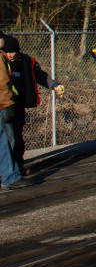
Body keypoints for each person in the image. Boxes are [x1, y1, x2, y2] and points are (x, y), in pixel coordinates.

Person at [1, 36, 65, 177]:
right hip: (5, 105)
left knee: (16, 137)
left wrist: (54, 85)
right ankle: (9, 171)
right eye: (7, 52)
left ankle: (17, 166)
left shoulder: (27, 62)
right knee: (8, 137)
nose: (10, 54)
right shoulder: (2, 63)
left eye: (12, 51)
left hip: (18, 106)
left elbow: (41, 76)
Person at [0, 35, 25, 190]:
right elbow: (3, 84)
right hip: (2, 105)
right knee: (4, 141)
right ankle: (10, 176)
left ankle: (10, 175)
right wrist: (8, 104)